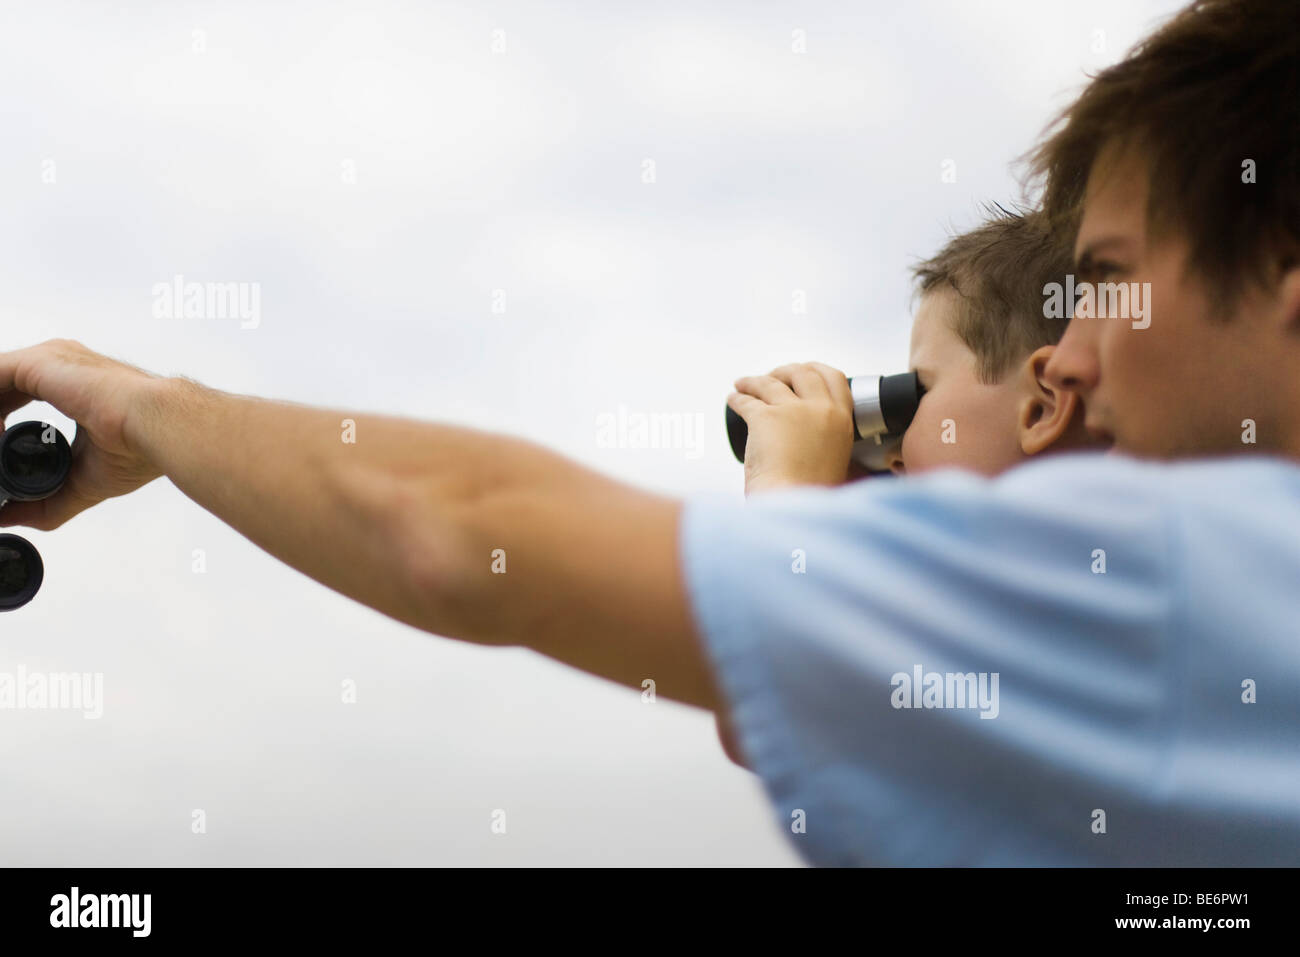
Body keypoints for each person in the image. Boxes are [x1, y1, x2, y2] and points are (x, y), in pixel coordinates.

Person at [1, 0, 1296, 865]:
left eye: (1112, 277)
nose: (1074, 352)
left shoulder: (1202, 575)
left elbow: (455, 533)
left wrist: (138, 408)